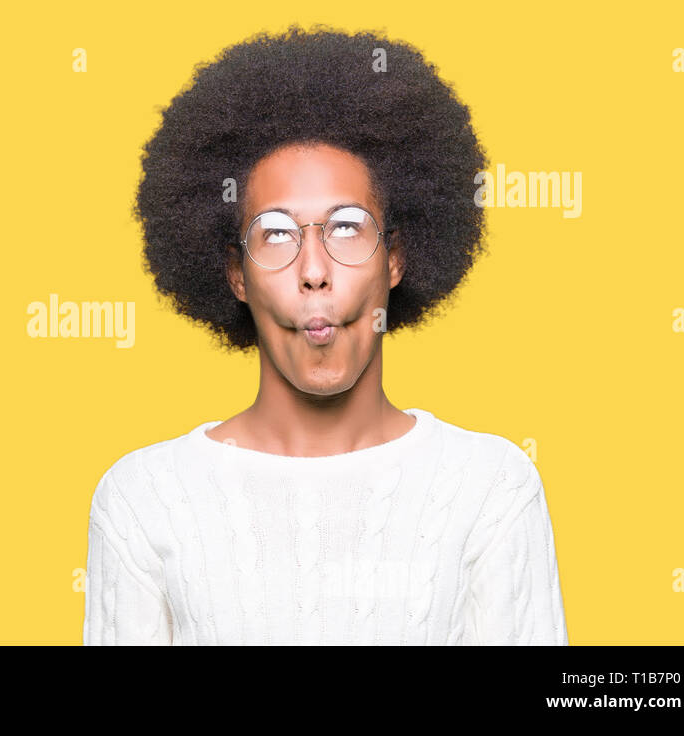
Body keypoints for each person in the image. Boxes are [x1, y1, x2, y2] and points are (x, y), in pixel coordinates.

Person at [83, 24, 568, 645]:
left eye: (346, 227)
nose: (314, 272)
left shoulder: (490, 490)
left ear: (394, 259)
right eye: (277, 234)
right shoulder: (142, 500)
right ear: (235, 273)